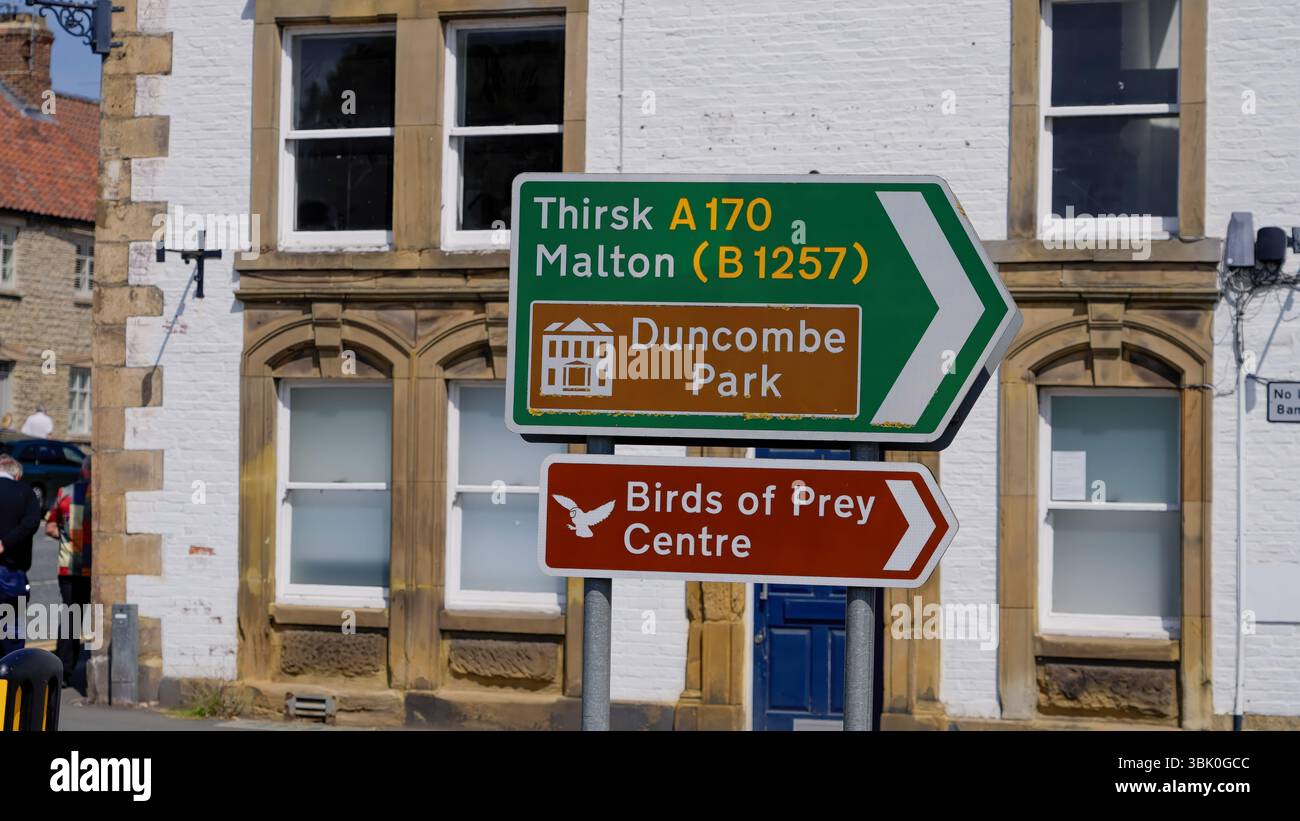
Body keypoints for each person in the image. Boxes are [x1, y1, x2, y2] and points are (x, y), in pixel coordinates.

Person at [45, 454, 92, 683]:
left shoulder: (63, 493)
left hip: (68, 566)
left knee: (71, 616)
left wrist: (65, 536)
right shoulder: (102, 495)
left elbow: (50, 527)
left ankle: (64, 670)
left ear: (82, 471)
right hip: (95, 568)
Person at [0, 454, 41, 657]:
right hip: (12, 571)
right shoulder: (25, 492)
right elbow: (32, 522)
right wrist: (6, 543)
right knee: (12, 624)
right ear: (16, 476)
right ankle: (10, 676)